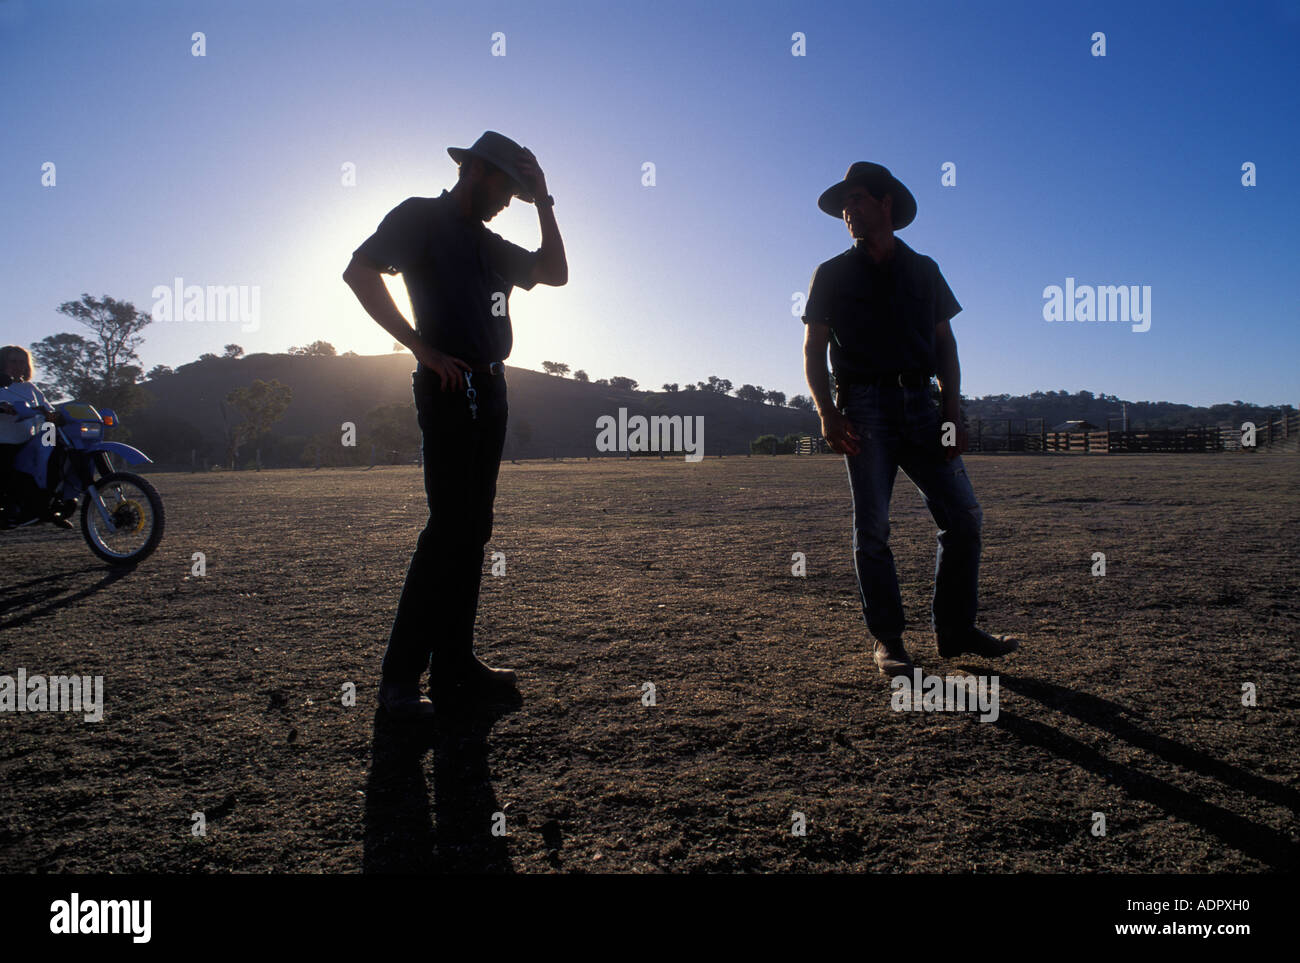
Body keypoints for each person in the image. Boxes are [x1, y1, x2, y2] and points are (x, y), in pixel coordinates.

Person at [343, 131, 568, 718]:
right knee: (448, 529)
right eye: (506, 189)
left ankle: (455, 664)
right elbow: (359, 272)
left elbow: (556, 271)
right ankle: (398, 682)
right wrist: (420, 349)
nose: (507, 202)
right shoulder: (419, 218)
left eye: (518, 194)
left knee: (474, 531)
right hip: (448, 385)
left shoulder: (489, 244)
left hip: (492, 388)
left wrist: (545, 199)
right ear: (475, 171)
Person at [800, 162, 1019, 678]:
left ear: (886, 203)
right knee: (872, 529)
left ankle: (957, 629)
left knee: (963, 517)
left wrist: (952, 411)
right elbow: (813, 351)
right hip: (864, 411)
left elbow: (946, 344)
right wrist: (827, 413)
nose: (848, 212)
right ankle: (889, 641)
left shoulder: (925, 270)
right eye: (843, 206)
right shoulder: (831, 274)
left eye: (856, 200)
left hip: (922, 406)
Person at [0, 344, 70, 528]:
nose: (17, 366)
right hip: (4, 442)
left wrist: (55, 415)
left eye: (22, 362)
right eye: (13, 361)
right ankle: (8, 512)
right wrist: (3, 407)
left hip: (28, 441)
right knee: (8, 472)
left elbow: (48, 408)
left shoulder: (30, 388)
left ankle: (46, 506)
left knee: (57, 454)